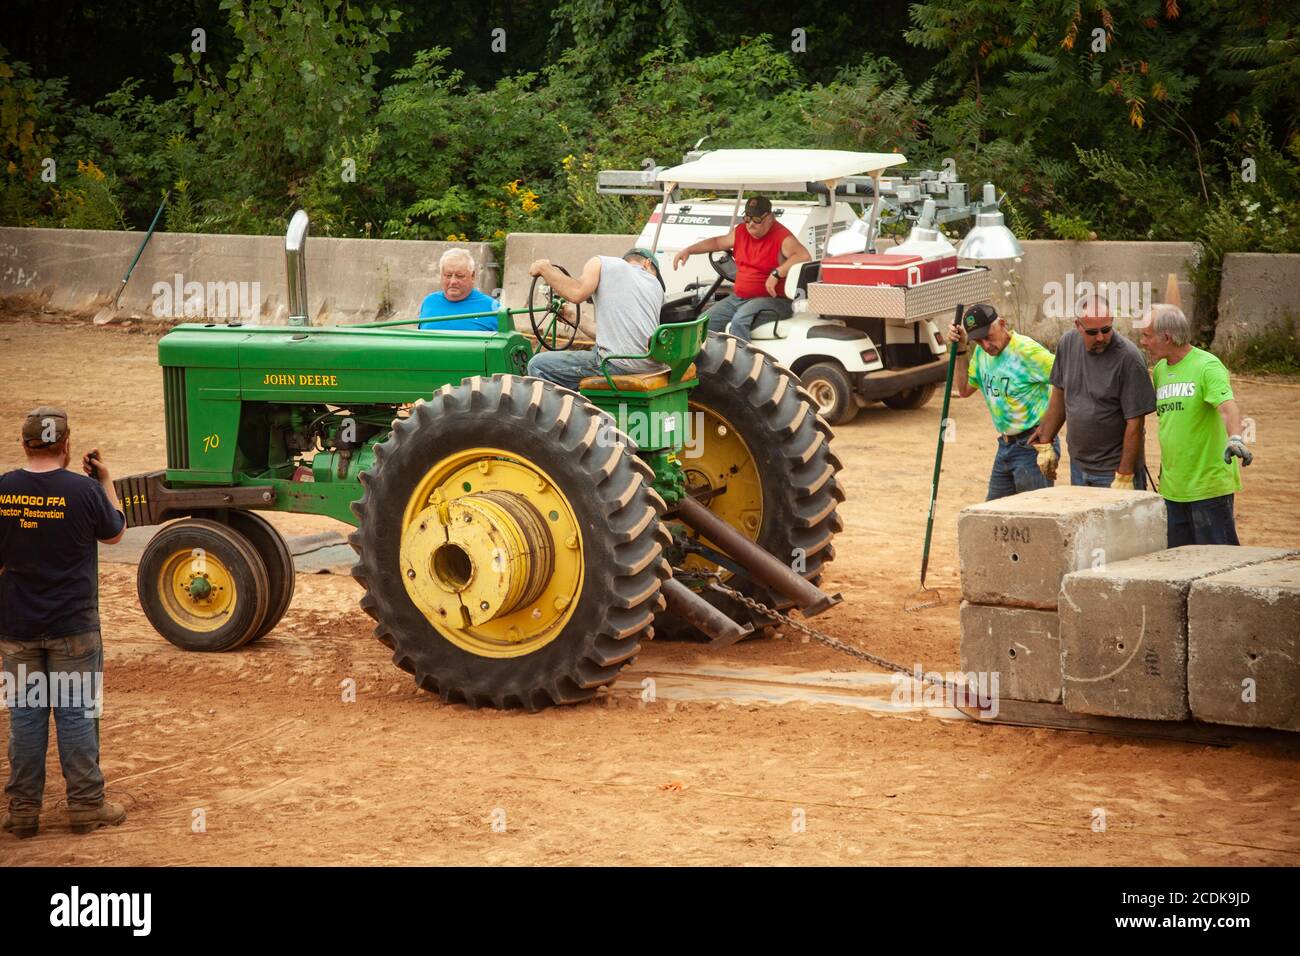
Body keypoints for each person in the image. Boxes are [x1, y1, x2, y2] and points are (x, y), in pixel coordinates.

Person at [0, 407, 127, 838]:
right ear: (67, 445)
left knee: (25, 717)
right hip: (73, 627)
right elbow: (114, 534)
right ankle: (86, 806)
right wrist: (105, 481)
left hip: (16, 628)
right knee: (75, 715)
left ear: (24, 444)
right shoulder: (83, 491)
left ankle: (22, 812)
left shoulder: (3, 489)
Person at [1138, 304, 1253, 547]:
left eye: (1147, 335)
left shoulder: (1207, 366)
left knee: (1217, 563)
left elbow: (1226, 406)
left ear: (1166, 337)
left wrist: (1235, 438)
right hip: (1172, 488)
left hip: (1208, 488)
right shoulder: (1159, 370)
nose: (1142, 342)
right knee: (1178, 564)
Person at [1030, 290, 1157, 489]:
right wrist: (1046, 440)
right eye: (1092, 332)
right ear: (1078, 326)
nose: (1100, 337)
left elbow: (1135, 423)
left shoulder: (1129, 358)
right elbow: (1060, 394)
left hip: (1113, 470)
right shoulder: (1067, 344)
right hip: (1079, 465)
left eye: (1106, 329)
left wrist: (1124, 475)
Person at [948, 304, 1060, 500]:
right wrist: (961, 350)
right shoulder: (982, 353)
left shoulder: (1027, 351)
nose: (985, 345)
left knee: (1033, 517)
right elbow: (964, 390)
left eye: (988, 337)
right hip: (1005, 446)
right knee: (994, 519)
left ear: (1001, 324)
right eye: (978, 341)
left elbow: (1066, 381)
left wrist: (1049, 433)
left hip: (1033, 446)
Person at [671, 196, 811, 342]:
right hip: (739, 298)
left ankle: (742, 363)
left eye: (756, 219)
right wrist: (688, 250)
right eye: (747, 218)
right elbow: (718, 242)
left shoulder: (783, 237)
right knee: (704, 322)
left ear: (770, 217)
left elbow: (804, 256)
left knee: (739, 321)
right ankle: (706, 362)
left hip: (775, 300)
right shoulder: (741, 231)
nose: (751, 224)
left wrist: (777, 273)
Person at [525, 248, 666, 390]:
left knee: (537, 365)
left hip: (617, 365)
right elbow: (619, 338)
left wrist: (544, 268)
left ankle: (565, 410)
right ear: (647, 263)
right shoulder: (656, 286)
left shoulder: (602, 262)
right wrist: (573, 317)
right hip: (651, 366)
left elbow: (576, 293)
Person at [417, 248, 498, 331]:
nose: (453, 281)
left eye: (459, 276)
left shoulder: (493, 308)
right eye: (448, 275)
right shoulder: (429, 302)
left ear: (472, 276)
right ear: (441, 276)